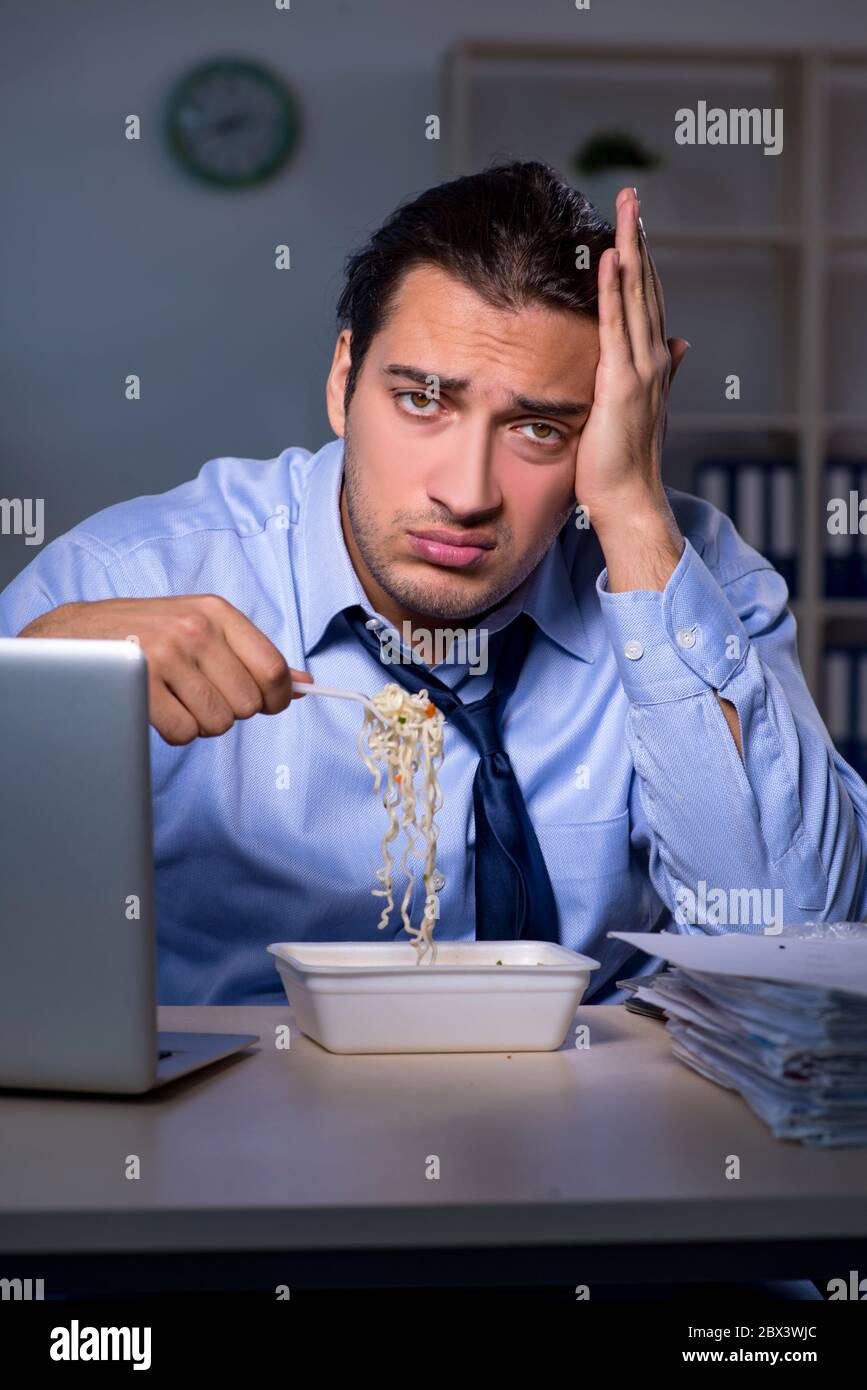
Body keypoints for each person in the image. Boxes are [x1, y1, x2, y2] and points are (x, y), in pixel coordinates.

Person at [2, 161, 865, 1018]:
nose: (465, 491)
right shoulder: (119, 583)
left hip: (596, 1131)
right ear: (344, 382)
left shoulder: (688, 575)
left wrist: (633, 511)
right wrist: (34, 701)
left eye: (538, 428)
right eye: (421, 400)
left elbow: (795, 950)